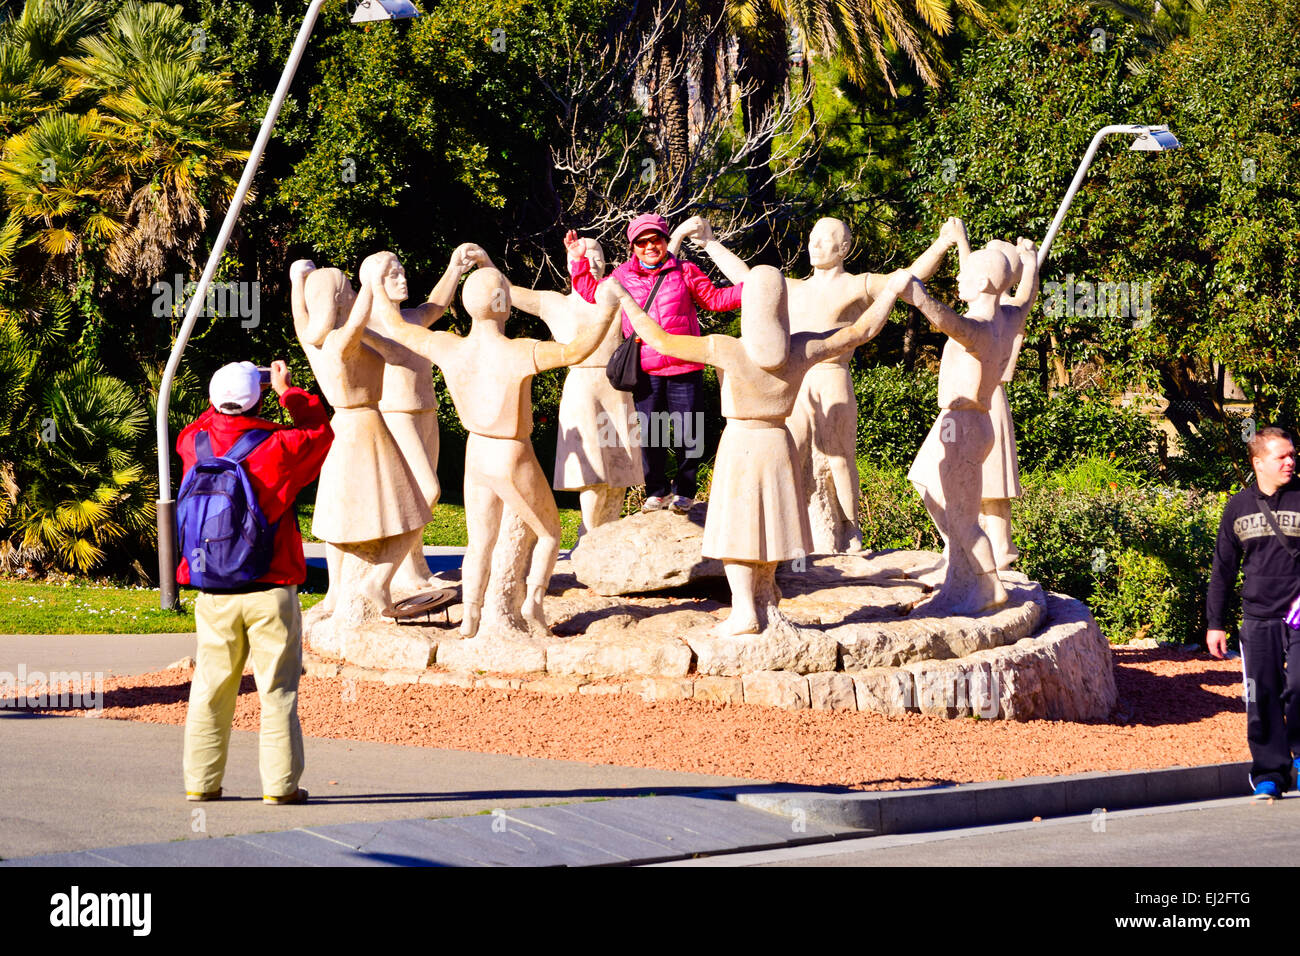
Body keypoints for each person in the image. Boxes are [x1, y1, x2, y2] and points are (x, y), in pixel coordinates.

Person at [608, 265, 910, 635]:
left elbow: (660, 339)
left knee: (737, 535)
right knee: (773, 528)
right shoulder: (803, 346)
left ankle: (745, 612)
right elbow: (860, 331)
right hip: (778, 443)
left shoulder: (726, 347)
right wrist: (891, 292)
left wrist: (625, 297)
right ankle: (767, 599)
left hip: (741, 444)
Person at [682, 214, 968, 552]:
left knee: (839, 458)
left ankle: (850, 528)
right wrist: (711, 244)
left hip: (832, 376)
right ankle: (795, 533)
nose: (813, 244)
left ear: (844, 247)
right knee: (792, 454)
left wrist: (945, 242)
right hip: (794, 384)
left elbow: (906, 279)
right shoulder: (793, 287)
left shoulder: (857, 283)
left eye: (824, 238)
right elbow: (748, 279)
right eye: (812, 237)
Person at [366, 256, 618, 637]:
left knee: (479, 542)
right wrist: (607, 312)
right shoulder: (521, 350)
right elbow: (576, 351)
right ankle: (534, 601)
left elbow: (398, 328)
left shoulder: (447, 346)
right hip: (511, 452)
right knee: (550, 532)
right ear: (502, 304)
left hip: (476, 454)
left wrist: (375, 291)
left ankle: (470, 618)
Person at [176, 360, 333, 804]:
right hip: (271, 588)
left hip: (214, 591)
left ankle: (201, 784)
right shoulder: (280, 445)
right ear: (258, 397)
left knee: (210, 687)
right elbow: (320, 431)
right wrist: (287, 392)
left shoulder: (192, 442)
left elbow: (209, 422)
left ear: (212, 399)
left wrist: (239, 393)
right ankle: (280, 788)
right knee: (277, 691)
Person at [565, 213, 742, 514]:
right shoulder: (621, 276)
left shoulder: (684, 271)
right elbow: (594, 294)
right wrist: (578, 261)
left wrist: (755, 287)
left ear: (664, 239)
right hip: (645, 371)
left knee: (690, 433)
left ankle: (685, 490)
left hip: (685, 366)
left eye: (655, 240)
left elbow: (715, 300)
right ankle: (657, 491)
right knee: (651, 435)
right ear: (633, 246)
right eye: (641, 242)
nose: (650, 246)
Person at [900, 237, 1039, 615]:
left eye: (966, 274)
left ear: (981, 284)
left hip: (962, 425)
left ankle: (988, 584)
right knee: (950, 501)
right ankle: (960, 580)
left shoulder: (977, 326)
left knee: (962, 516)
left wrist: (920, 297)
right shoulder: (1007, 318)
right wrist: (1030, 262)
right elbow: (1025, 296)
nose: (959, 278)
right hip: (963, 424)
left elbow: (948, 321)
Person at [507, 236, 643, 535]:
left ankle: (608, 538)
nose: (591, 261)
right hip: (583, 389)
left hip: (618, 388)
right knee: (593, 474)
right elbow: (508, 291)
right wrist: (482, 265)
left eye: (597, 255)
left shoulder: (619, 297)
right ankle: (591, 534)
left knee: (620, 474)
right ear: (569, 263)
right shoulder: (555, 303)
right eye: (584, 256)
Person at [1207, 426, 1300, 800]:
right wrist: (1215, 623)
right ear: (1258, 462)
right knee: (1260, 696)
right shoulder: (1238, 507)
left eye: (1293, 455)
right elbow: (1223, 569)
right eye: (1282, 457)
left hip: (1297, 615)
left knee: (1299, 687)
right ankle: (1269, 774)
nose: (1291, 462)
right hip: (1257, 618)